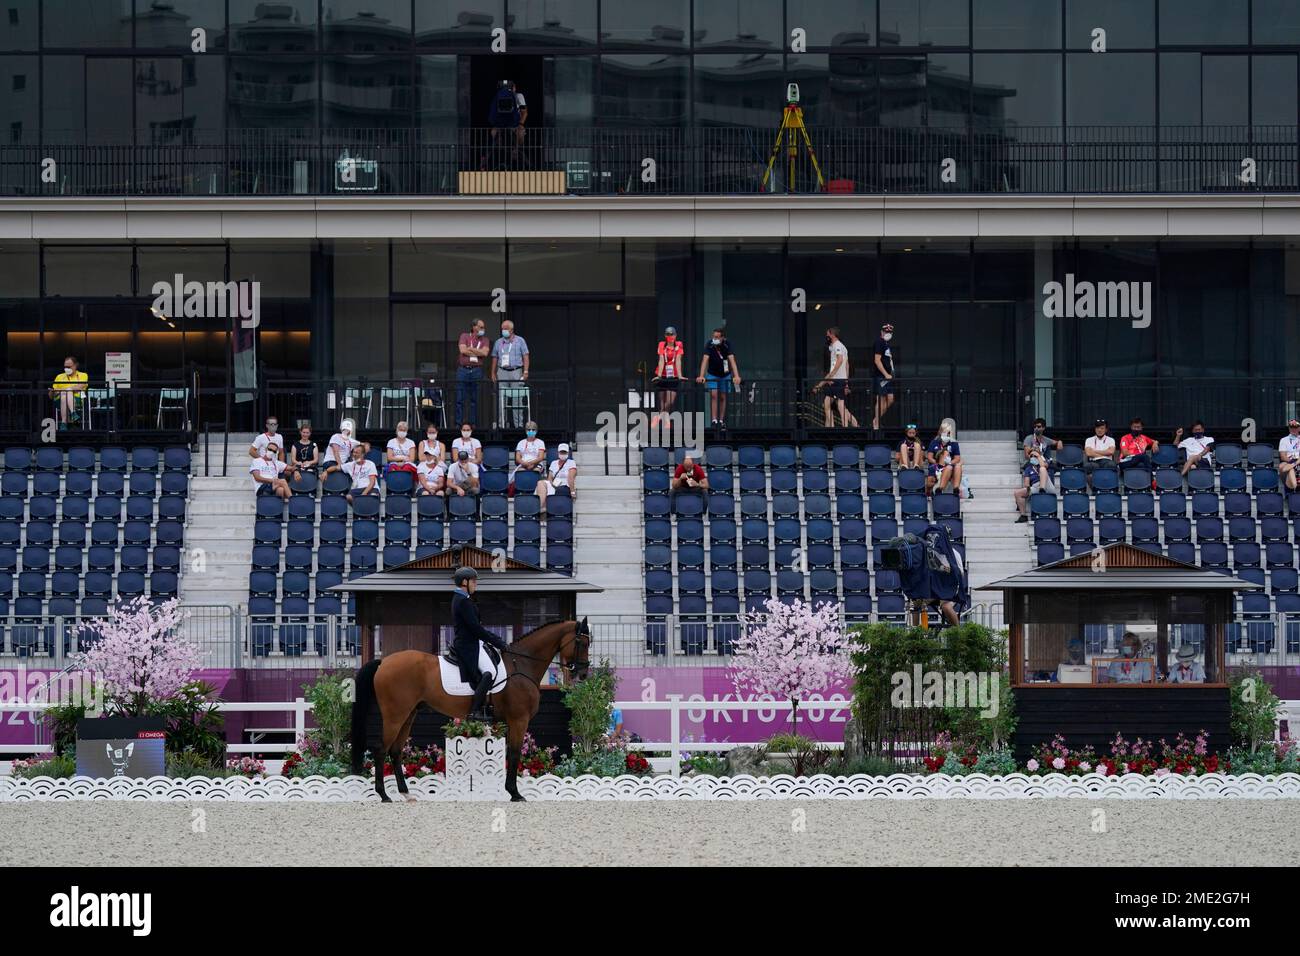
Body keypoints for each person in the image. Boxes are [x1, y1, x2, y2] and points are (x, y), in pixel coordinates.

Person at [450, 566, 510, 718]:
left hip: (471, 643)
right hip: (468, 645)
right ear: (465, 582)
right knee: (489, 672)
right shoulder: (463, 601)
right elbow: (476, 628)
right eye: (474, 581)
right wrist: (498, 642)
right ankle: (475, 711)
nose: (476, 584)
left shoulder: (462, 599)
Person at [696, 328, 742, 430]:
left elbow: (732, 360)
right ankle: (714, 420)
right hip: (712, 374)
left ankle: (721, 421)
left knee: (722, 397)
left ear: (722, 338)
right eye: (713, 336)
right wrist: (701, 375)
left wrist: (736, 376)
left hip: (725, 375)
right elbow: (705, 360)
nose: (714, 339)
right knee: (714, 395)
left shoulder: (727, 344)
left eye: (717, 337)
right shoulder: (710, 344)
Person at [1014, 420, 1060, 522]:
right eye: (1035, 426)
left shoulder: (1045, 460)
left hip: (1047, 485)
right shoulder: (1028, 468)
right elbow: (1026, 483)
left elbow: (1044, 465)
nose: (1036, 428)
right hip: (1035, 487)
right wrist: (1027, 490)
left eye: (1039, 426)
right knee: (1017, 493)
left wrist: (1039, 456)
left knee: (1043, 469)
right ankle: (1023, 515)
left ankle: (1042, 489)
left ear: (1043, 428)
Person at [814, 327, 858, 428]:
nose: (827, 337)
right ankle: (836, 426)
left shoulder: (836, 345)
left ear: (832, 335)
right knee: (831, 404)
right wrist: (846, 382)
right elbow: (847, 365)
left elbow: (840, 360)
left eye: (828, 335)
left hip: (836, 380)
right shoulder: (843, 347)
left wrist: (831, 376)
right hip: (840, 379)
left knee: (838, 405)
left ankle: (841, 427)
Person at [491, 319, 530, 430]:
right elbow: (495, 357)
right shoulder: (498, 342)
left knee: (517, 399)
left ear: (512, 330)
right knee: (500, 399)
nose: (504, 331)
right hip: (502, 371)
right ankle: (501, 424)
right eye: (502, 328)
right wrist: (493, 372)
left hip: (516, 371)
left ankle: (518, 425)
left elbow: (526, 356)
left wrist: (525, 371)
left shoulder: (520, 341)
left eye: (506, 329)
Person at [455, 318, 489, 427]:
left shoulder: (485, 340)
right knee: (460, 398)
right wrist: (477, 352)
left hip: (476, 371)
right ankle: (458, 423)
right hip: (463, 370)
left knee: (474, 399)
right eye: (481, 327)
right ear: (474, 327)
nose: (483, 329)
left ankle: (473, 423)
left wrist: (471, 349)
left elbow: (485, 353)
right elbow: (462, 350)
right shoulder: (464, 336)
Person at [485, 79, 527, 164]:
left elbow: (524, 112)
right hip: (501, 124)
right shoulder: (497, 97)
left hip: (515, 124)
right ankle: (485, 160)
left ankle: (515, 151)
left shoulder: (519, 96)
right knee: (493, 133)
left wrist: (521, 124)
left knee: (521, 133)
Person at [653, 326, 684, 429]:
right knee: (662, 401)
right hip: (662, 375)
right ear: (665, 336)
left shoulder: (679, 344)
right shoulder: (662, 344)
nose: (670, 336)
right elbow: (661, 360)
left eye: (672, 334)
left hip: (673, 375)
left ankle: (658, 417)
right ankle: (666, 422)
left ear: (675, 335)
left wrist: (679, 375)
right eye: (668, 334)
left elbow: (678, 360)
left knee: (670, 401)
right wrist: (659, 376)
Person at [50, 356, 88, 429]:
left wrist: (64, 389)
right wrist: (52, 392)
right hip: (59, 401)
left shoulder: (83, 375)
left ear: (75, 365)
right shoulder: (59, 376)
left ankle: (63, 423)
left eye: (69, 367)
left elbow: (81, 386)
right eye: (65, 367)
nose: (66, 369)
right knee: (65, 394)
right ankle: (73, 413)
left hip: (78, 400)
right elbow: (52, 395)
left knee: (66, 392)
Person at [871, 323, 896, 430]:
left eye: (890, 332)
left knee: (890, 399)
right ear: (882, 332)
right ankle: (876, 423)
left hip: (887, 377)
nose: (888, 333)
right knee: (880, 399)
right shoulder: (879, 342)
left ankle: (876, 420)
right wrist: (885, 374)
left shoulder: (886, 344)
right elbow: (877, 360)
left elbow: (888, 360)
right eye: (886, 331)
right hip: (881, 376)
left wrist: (891, 373)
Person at [926, 423, 961, 495]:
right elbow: (929, 457)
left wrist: (950, 462)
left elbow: (957, 458)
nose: (946, 434)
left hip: (949, 466)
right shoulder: (934, 442)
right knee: (929, 483)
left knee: (956, 466)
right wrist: (938, 464)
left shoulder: (954, 443)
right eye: (944, 432)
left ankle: (956, 488)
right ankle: (937, 489)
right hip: (936, 465)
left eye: (948, 432)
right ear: (940, 432)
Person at [1083, 418, 1116, 486]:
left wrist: (1094, 451)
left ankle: (1105, 487)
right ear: (1095, 429)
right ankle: (1096, 488)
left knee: (1111, 465)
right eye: (1097, 428)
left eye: (1102, 428)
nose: (1099, 430)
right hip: (1094, 462)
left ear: (1106, 430)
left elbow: (1111, 452)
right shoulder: (1089, 440)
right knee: (1088, 466)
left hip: (1107, 462)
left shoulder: (1111, 440)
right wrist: (1104, 453)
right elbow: (1089, 453)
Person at [1281, 420, 1300, 491]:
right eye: (1291, 427)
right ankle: (1293, 489)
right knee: (1286, 467)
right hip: (1290, 461)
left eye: (1295, 427)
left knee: (1289, 468)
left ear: (1299, 428)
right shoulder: (1284, 440)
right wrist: (1294, 462)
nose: (1293, 429)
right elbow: (1283, 456)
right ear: (1289, 428)